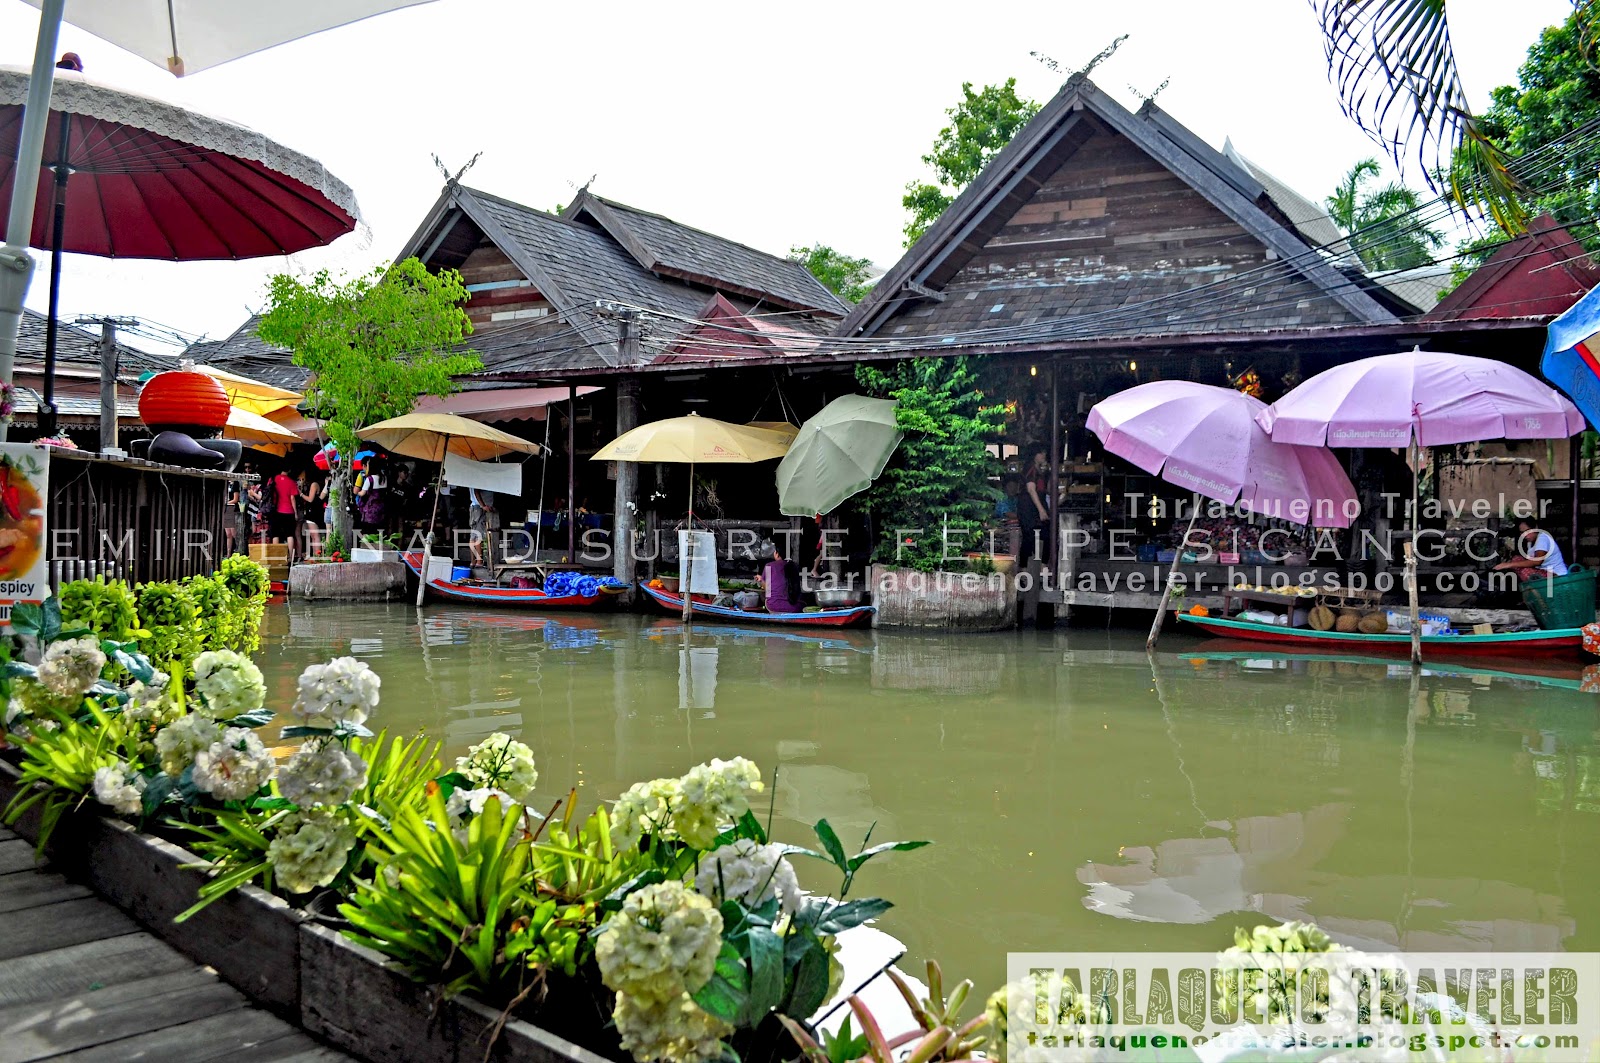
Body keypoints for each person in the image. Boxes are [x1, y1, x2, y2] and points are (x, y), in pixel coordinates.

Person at [1495, 516, 1569, 582]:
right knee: (1516, 559)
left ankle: (1537, 591)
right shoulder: (1530, 543)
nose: (1525, 535)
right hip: (1543, 572)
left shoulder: (1543, 538)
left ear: (1535, 527)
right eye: (1522, 532)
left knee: (1525, 571)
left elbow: (1537, 562)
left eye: (1528, 531)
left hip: (1557, 576)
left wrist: (1508, 565)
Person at [1019, 450, 1051, 564]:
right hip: (1028, 506)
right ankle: (1024, 567)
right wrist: (1041, 510)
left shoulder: (1041, 471)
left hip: (1038, 504)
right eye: (1041, 453)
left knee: (1046, 534)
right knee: (1029, 536)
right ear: (1034, 455)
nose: (1044, 455)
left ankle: (1042, 564)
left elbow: (1044, 489)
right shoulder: (1030, 468)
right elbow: (1031, 489)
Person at [758, 539, 802, 613]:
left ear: (777, 553)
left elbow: (767, 590)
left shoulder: (769, 566)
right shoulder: (794, 566)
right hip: (794, 608)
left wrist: (761, 580)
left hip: (773, 606)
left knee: (766, 598)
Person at [268, 466, 299, 560]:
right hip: (288, 511)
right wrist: (296, 512)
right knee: (289, 534)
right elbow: (292, 498)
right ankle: (291, 556)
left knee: (275, 534)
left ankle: (276, 557)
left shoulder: (273, 479)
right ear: (289, 470)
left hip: (275, 510)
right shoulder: (291, 482)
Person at [298, 472, 323, 557]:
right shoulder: (308, 485)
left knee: (315, 535)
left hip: (313, 512)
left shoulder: (314, 484)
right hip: (310, 511)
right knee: (312, 536)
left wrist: (300, 494)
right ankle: (315, 555)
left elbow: (310, 499)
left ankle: (317, 555)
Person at [468, 487, 495, 566]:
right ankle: (479, 562)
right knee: (477, 536)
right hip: (478, 508)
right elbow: (476, 492)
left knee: (474, 536)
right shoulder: (477, 478)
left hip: (477, 507)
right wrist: (483, 505)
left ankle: (473, 562)